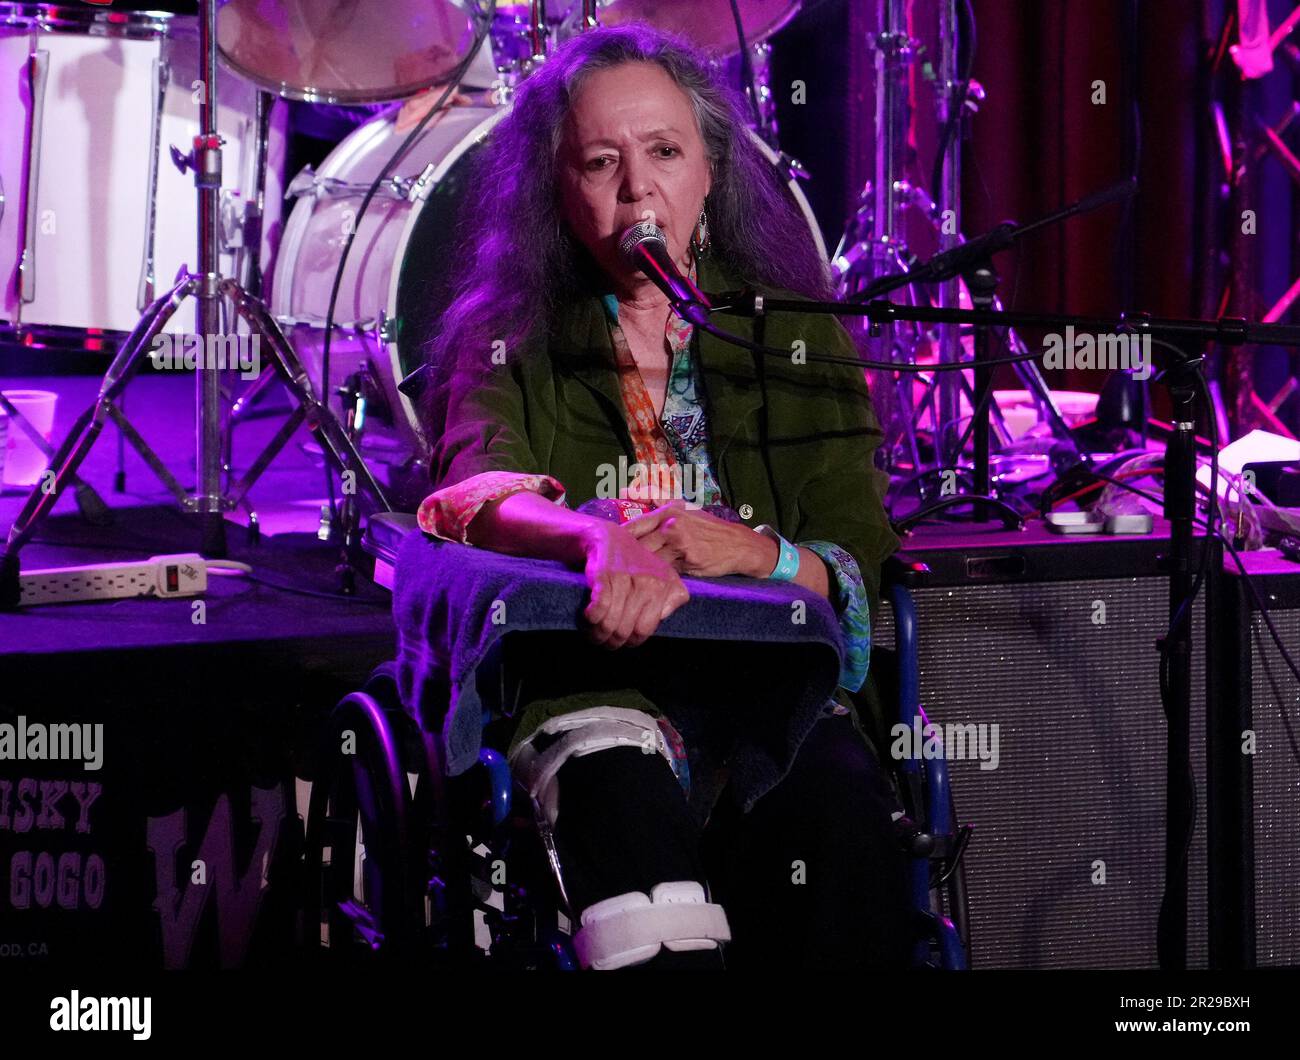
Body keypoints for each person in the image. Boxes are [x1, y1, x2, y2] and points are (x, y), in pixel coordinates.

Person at [416, 23, 910, 970]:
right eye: (601, 162)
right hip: (589, 678)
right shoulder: (503, 330)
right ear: (557, 193)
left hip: (775, 685)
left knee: (840, 833)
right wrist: (596, 545)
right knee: (646, 886)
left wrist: (752, 555)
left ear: (710, 172)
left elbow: (854, 550)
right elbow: (478, 491)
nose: (638, 188)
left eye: (665, 152)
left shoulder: (793, 332)